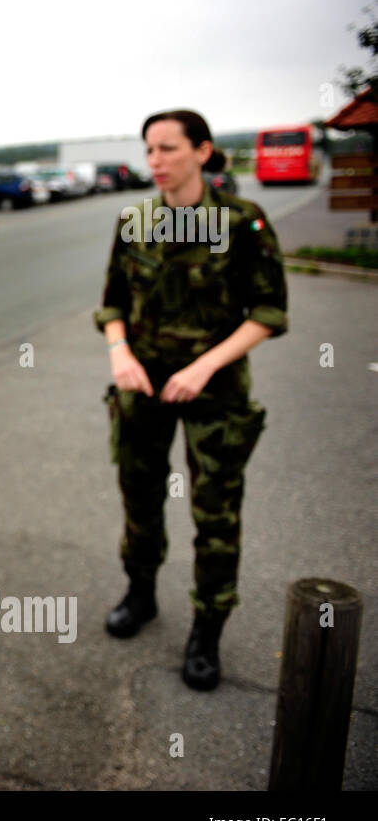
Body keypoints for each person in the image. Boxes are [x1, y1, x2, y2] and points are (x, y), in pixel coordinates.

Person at [94, 109, 287, 691]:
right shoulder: (134, 221)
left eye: (169, 148)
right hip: (144, 388)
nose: (155, 160)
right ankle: (142, 592)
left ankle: (207, 628)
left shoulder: (245, 222)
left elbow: (270, 313)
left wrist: (203, 367)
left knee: (216, 513)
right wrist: (120, 353)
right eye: (149, 149)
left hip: (216, 392)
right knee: (141, 496)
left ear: (203, 152)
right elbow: (111, 305)